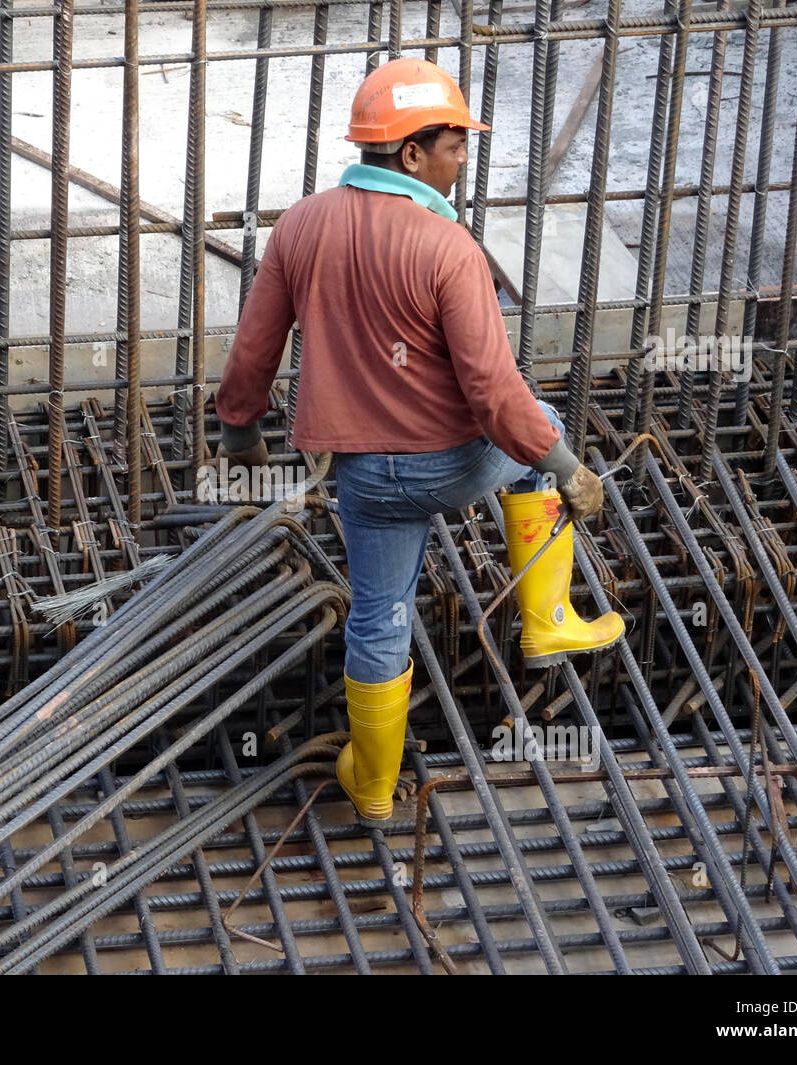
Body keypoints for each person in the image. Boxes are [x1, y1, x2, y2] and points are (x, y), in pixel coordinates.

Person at [213, 58, 624, 823]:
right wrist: (566, 468)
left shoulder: (301, 224)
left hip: (365, 479)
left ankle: (371, 783)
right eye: (454, 145)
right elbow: (495, 396)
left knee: (379, 619)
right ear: (410, 154)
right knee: (544, 430)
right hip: (452, 467)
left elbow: (254, 350)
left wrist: (240, 432)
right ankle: (546, 621)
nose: (461, 160)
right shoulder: (449, 249)